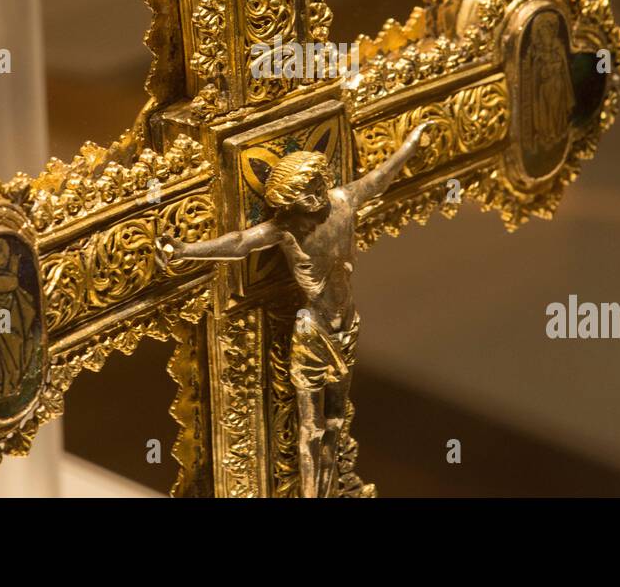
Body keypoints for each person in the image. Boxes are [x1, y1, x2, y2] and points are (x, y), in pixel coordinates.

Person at [156, 120, 434, 497]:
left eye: (318, 185)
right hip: (313, 331)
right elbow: (239, 242)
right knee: (313, 427)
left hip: (347, 326)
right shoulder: (287, 229)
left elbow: (380, 177)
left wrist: (412, 143)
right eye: (307, 192)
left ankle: (329, 488)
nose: (317, 195)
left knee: (336, 420)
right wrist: (186, 251)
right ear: (288, 198)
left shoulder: (341, 202)